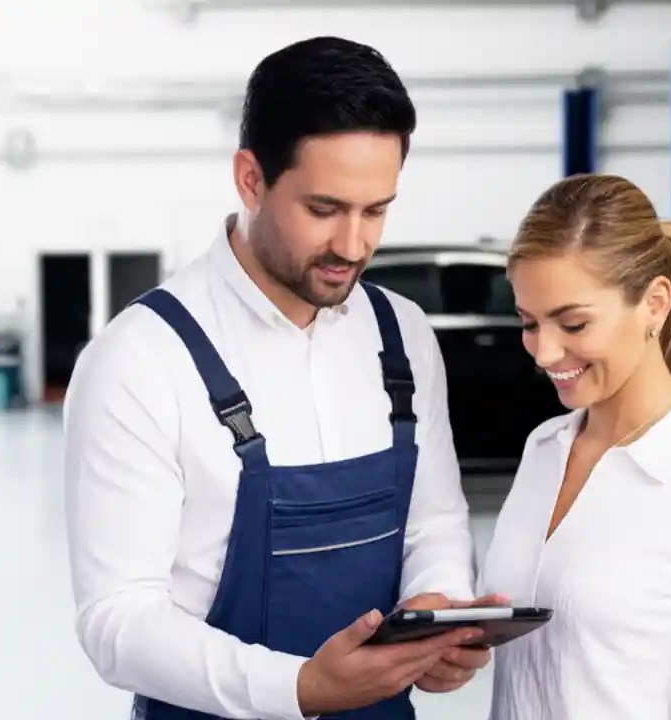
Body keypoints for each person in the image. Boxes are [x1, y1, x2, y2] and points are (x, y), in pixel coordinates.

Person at [63, 36, 498, 720]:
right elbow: (117, 623)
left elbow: (435, 522)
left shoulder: (402, 334)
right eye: (324, 209)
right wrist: (302, 690)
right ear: (250, 179)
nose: (353, 246)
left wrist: (434, 611)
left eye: (376, 210)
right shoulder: (141, 359)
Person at [479, 173, 671, 720]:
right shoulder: (543, 449)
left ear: (655, 304)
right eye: (529, 323)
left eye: (573, 323)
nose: (545, 353)